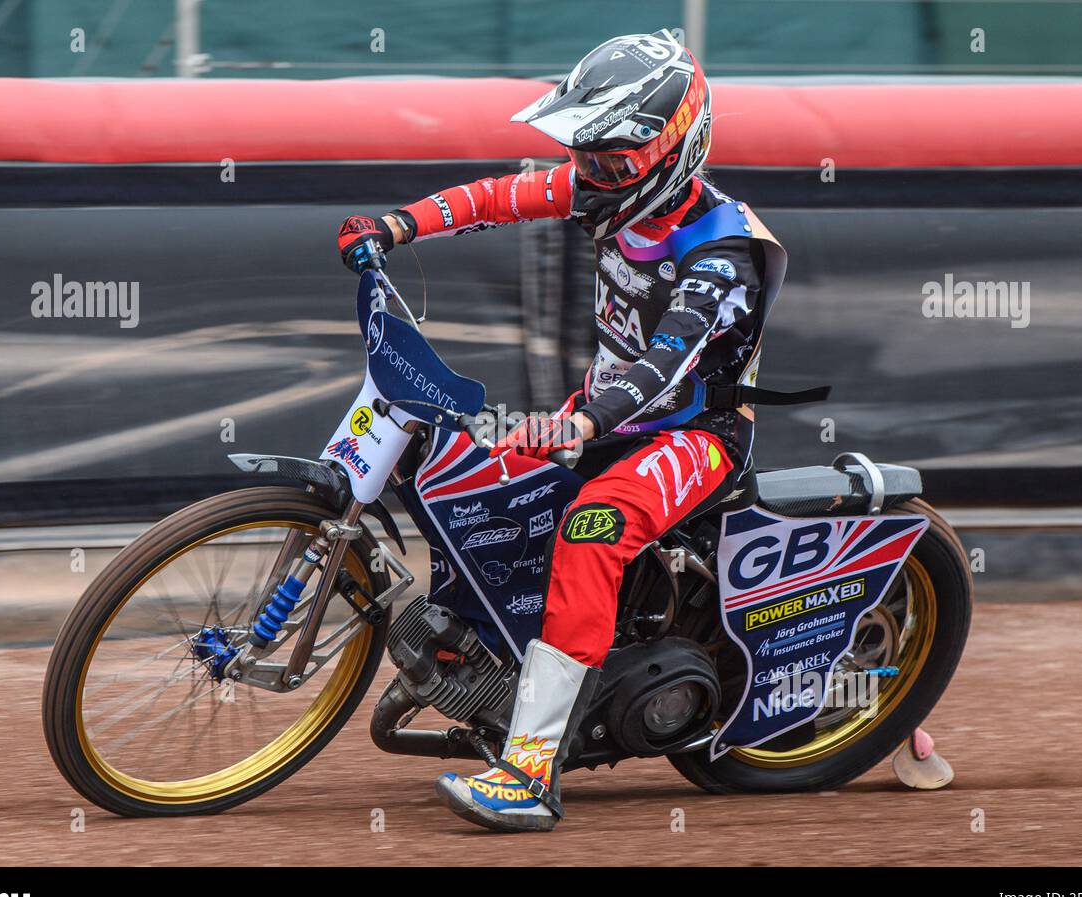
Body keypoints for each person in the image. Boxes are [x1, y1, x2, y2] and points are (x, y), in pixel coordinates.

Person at [337, 29, 791, 832]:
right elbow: (494, 199)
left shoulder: (722, 255)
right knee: (489, 496)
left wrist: (581, 420)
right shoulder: (602, 189)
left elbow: (667, 364)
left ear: (675, 149)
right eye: (586, 159)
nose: (591, 179)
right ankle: (475, 663)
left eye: (612, 164)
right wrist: (394, 226)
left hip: (694, 436)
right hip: (611, 414)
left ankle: (531, 774)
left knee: (590, 532)